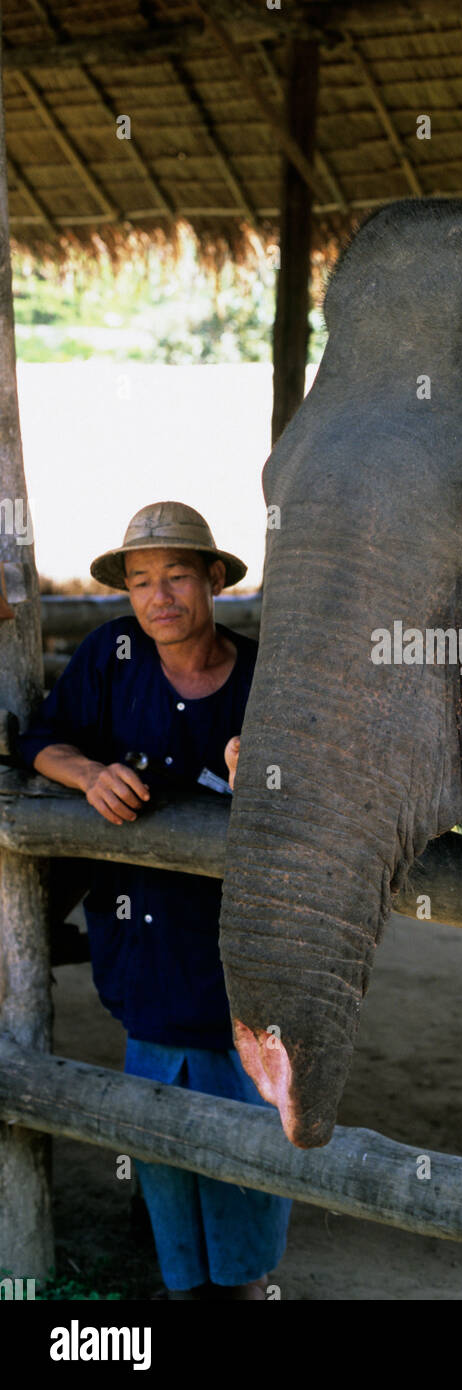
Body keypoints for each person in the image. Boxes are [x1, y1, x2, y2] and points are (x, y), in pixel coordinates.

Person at [19, 501, 291, 1301]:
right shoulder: (114, 654)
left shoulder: (261, 676)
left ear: (215, 580)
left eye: (177, 575)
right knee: (158, 1127)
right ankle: (182, 1281)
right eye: (141, 581)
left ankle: (245, 1284)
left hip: (241, 954)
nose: (158, 596)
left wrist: (265, 780)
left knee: (248, 1133)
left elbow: (317, 803)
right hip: (141, 939)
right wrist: (88, 774)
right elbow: (42, 739)